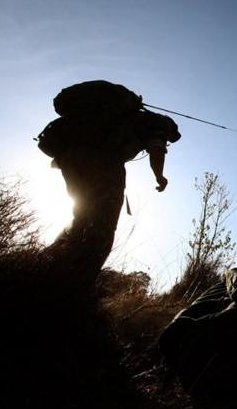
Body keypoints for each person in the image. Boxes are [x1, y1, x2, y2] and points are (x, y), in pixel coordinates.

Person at [39, 81, 181, 282]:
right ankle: (77, 280)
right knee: (103, 223)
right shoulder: (156, 125)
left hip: (70, 157)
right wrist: (159, 176)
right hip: (105, 161)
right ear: (170, 128)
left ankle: (45, 265)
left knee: (82, 214)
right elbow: (156, 150)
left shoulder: (119, 116)